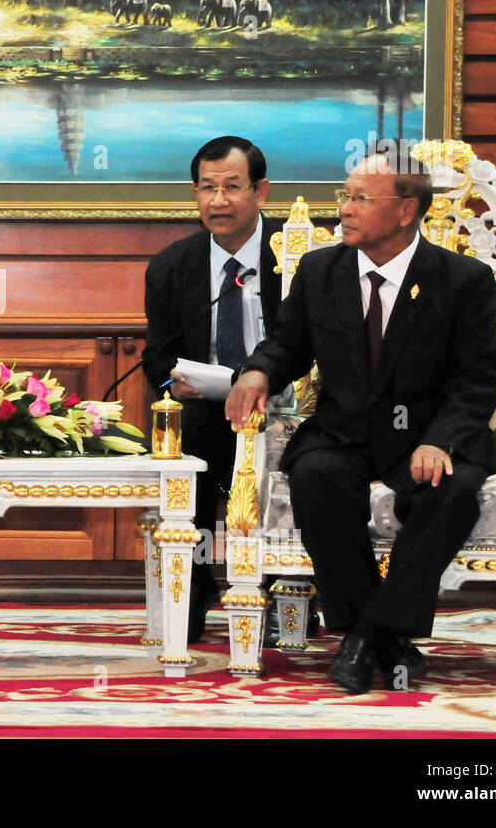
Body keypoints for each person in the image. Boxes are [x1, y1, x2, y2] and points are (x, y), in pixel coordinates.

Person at [225, 146, 496, 693]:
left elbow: (478, 378)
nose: (345, 210)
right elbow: (286, 345)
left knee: (454, 490)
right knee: (316, 477)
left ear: (406, 211)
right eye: (344, 197)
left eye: (360, 199)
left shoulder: (462, 279)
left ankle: (363, 637)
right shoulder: (320, 269)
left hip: (427, 435)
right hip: (344, 431)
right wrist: (258, 372)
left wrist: (442, 440)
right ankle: (385, 638)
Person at [143, 135, 281, 642]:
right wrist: (173, 384)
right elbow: (156, 356)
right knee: (187, 443)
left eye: (232, 187)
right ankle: (197, 584)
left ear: (261, 191)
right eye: (206, 188)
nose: (217, 201)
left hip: (283, 405)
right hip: (207, 407)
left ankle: (279, 585)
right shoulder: (171, 266)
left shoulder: (301, 256)